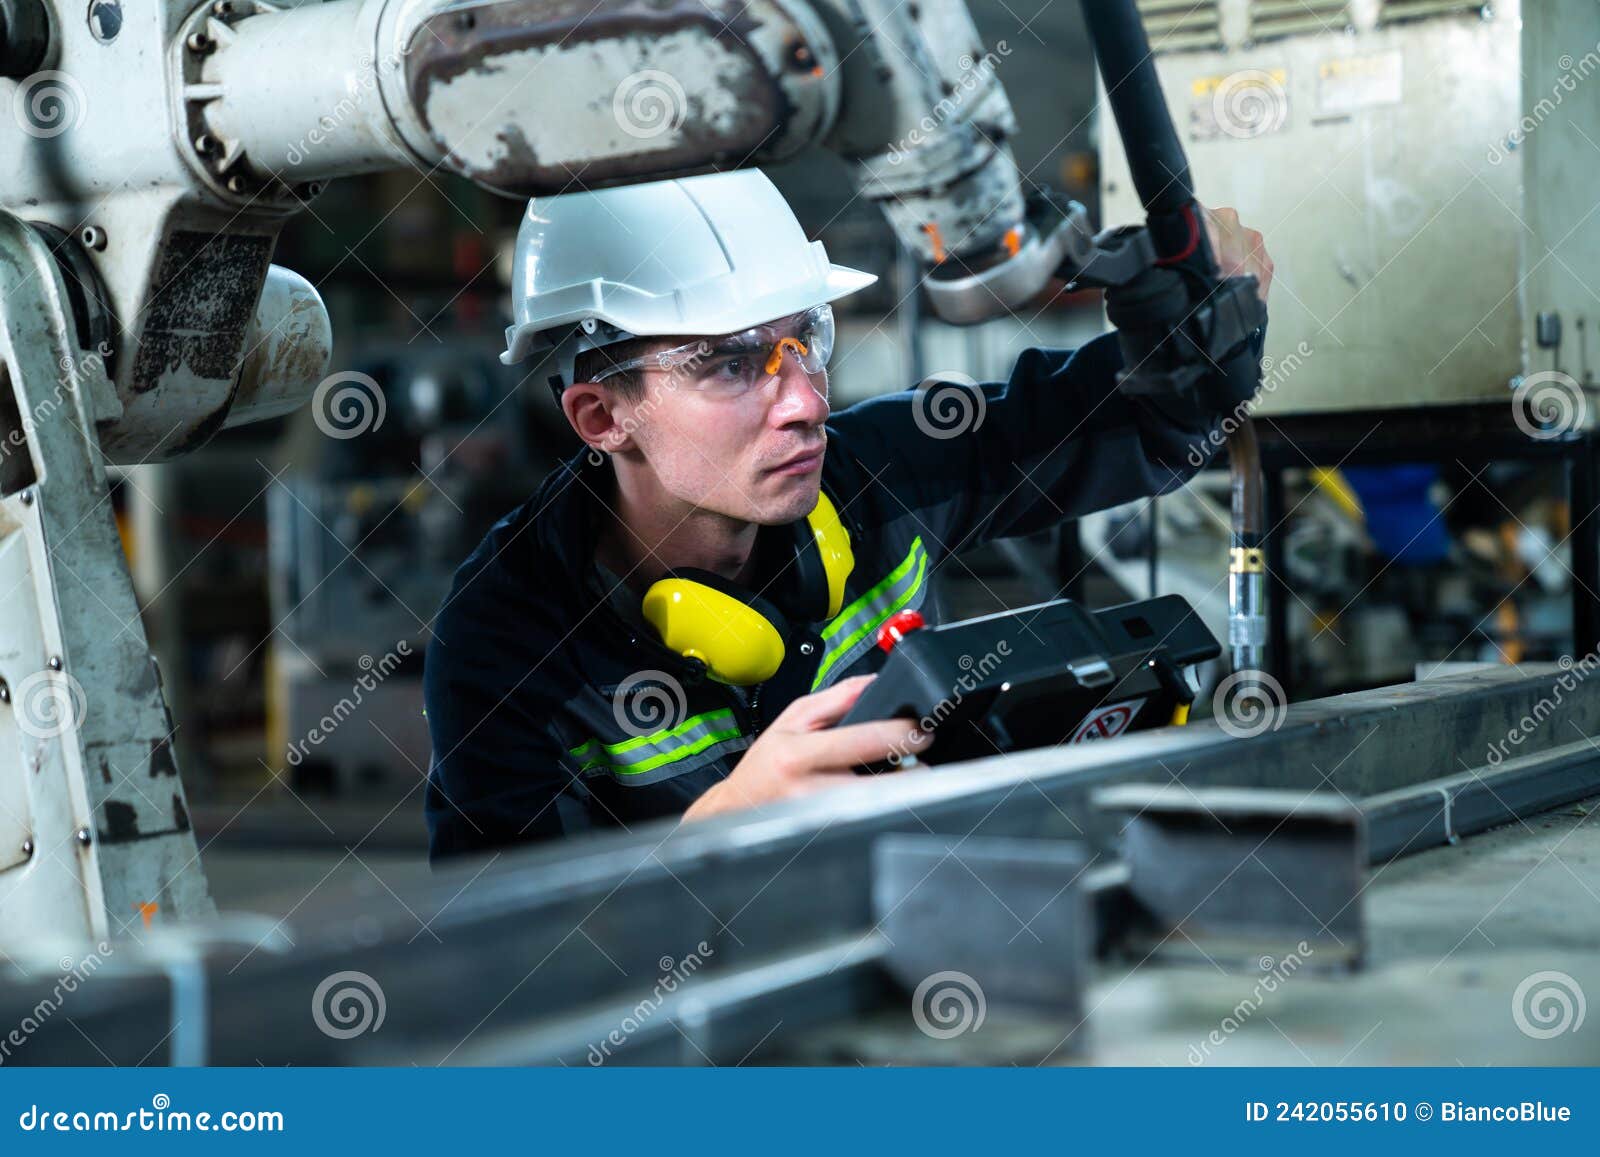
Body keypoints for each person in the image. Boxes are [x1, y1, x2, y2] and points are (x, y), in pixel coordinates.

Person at [423, 169, 1272, 862]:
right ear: (602, 418)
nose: (805, 401)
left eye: (807, 339)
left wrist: (1192, 342)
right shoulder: (504, 643)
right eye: (727, 363)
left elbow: (1135, 421)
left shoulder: (878, 476)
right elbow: (502, 974)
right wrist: (713, 838)